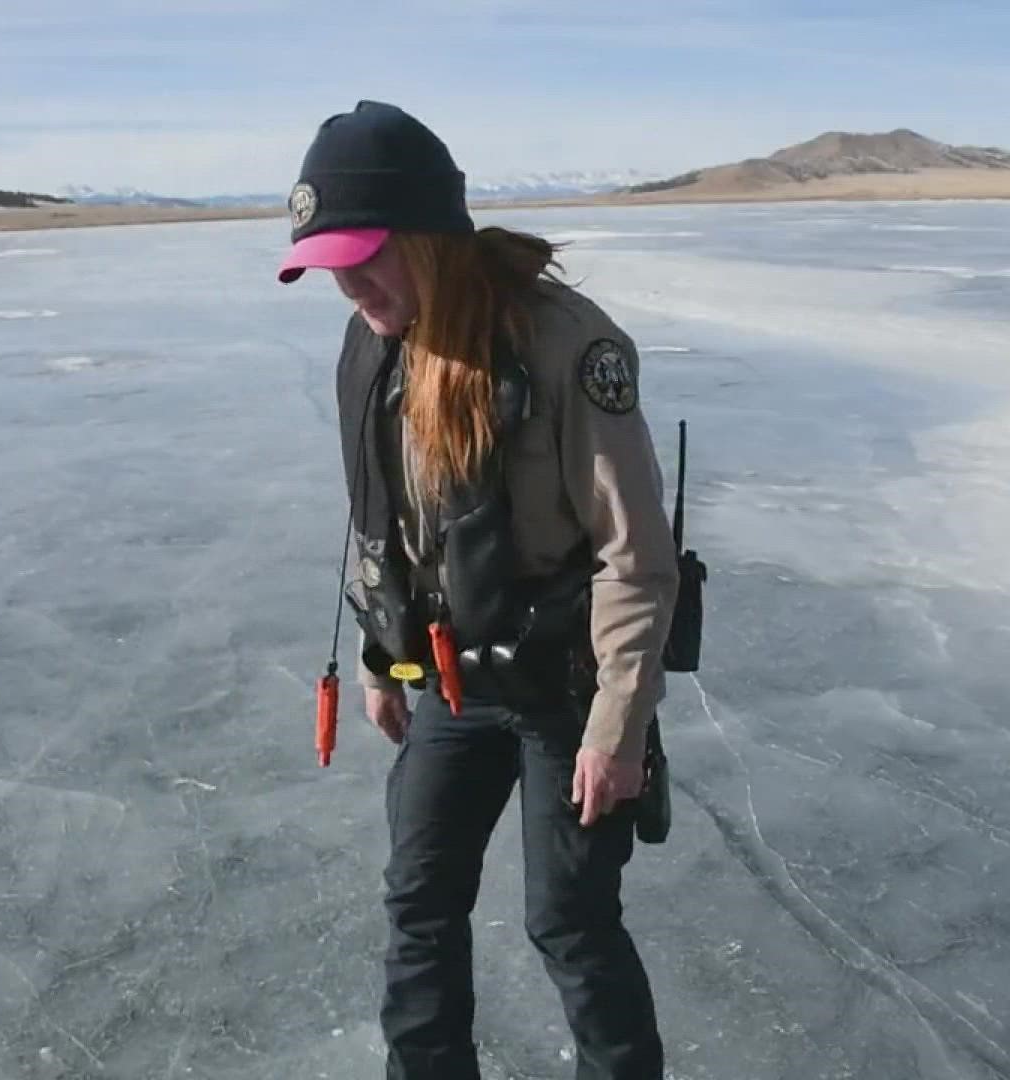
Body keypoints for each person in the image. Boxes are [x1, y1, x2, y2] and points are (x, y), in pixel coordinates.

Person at [278, 100, 678, 1080]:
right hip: (450, 680)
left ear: (430, 236)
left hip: (566, 689)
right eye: (330, 262)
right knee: (418, 902)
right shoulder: (376, 344)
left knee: (569, 926)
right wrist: (383, 658)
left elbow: (637, 557)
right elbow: (389, 524)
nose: (348, 283)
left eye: (366, 254)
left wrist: (618, 725)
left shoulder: (564, 345)